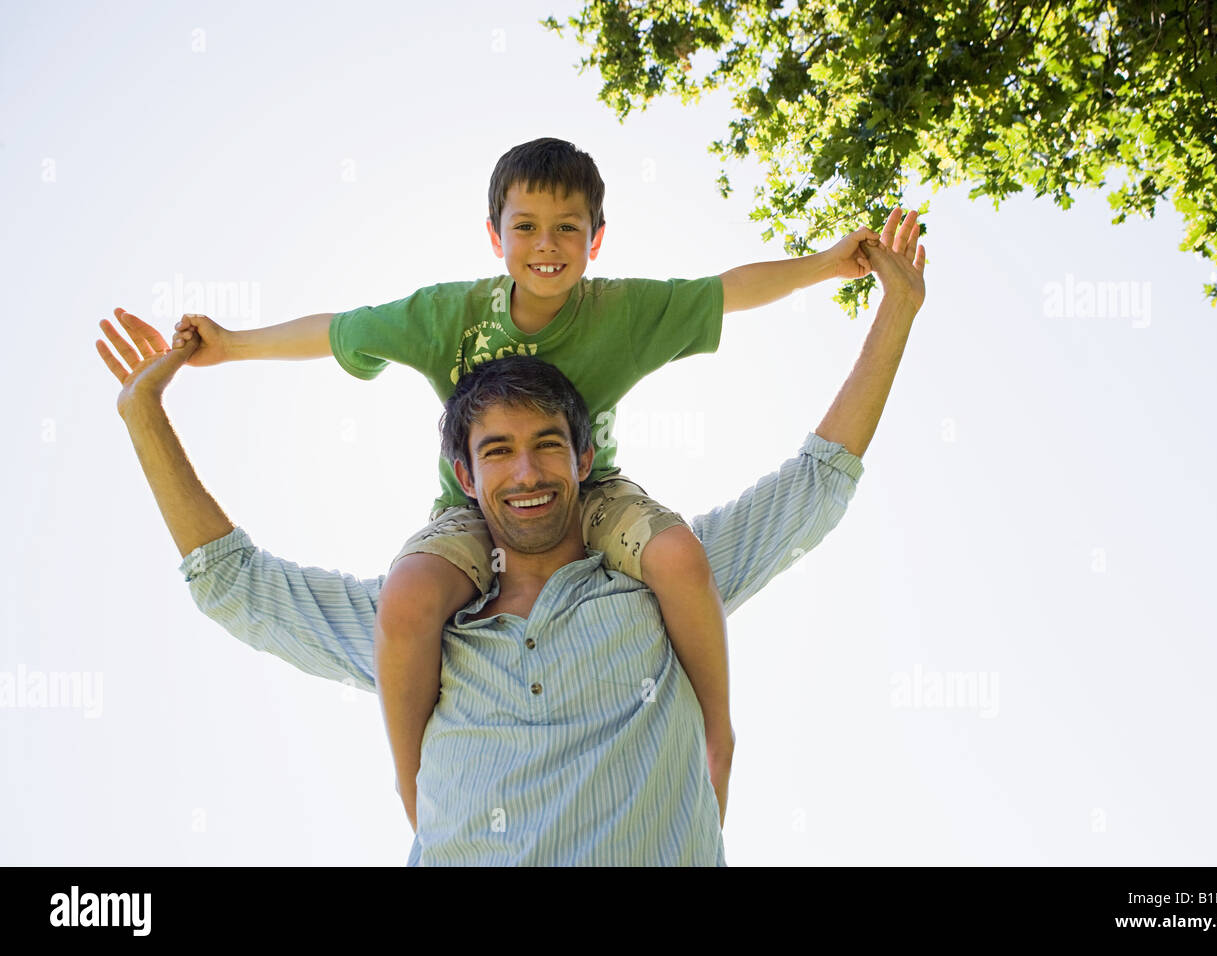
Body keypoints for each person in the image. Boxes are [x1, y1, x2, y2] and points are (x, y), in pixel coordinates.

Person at [97, 208, 926, 866]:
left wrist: (898, 309)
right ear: (465, 476)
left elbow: (817, 481)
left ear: (586, 457)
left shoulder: (661, 587)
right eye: (497, 452)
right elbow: (234, 583)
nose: (525, 473)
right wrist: (144, 415)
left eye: (546, 447)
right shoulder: (417, 629)